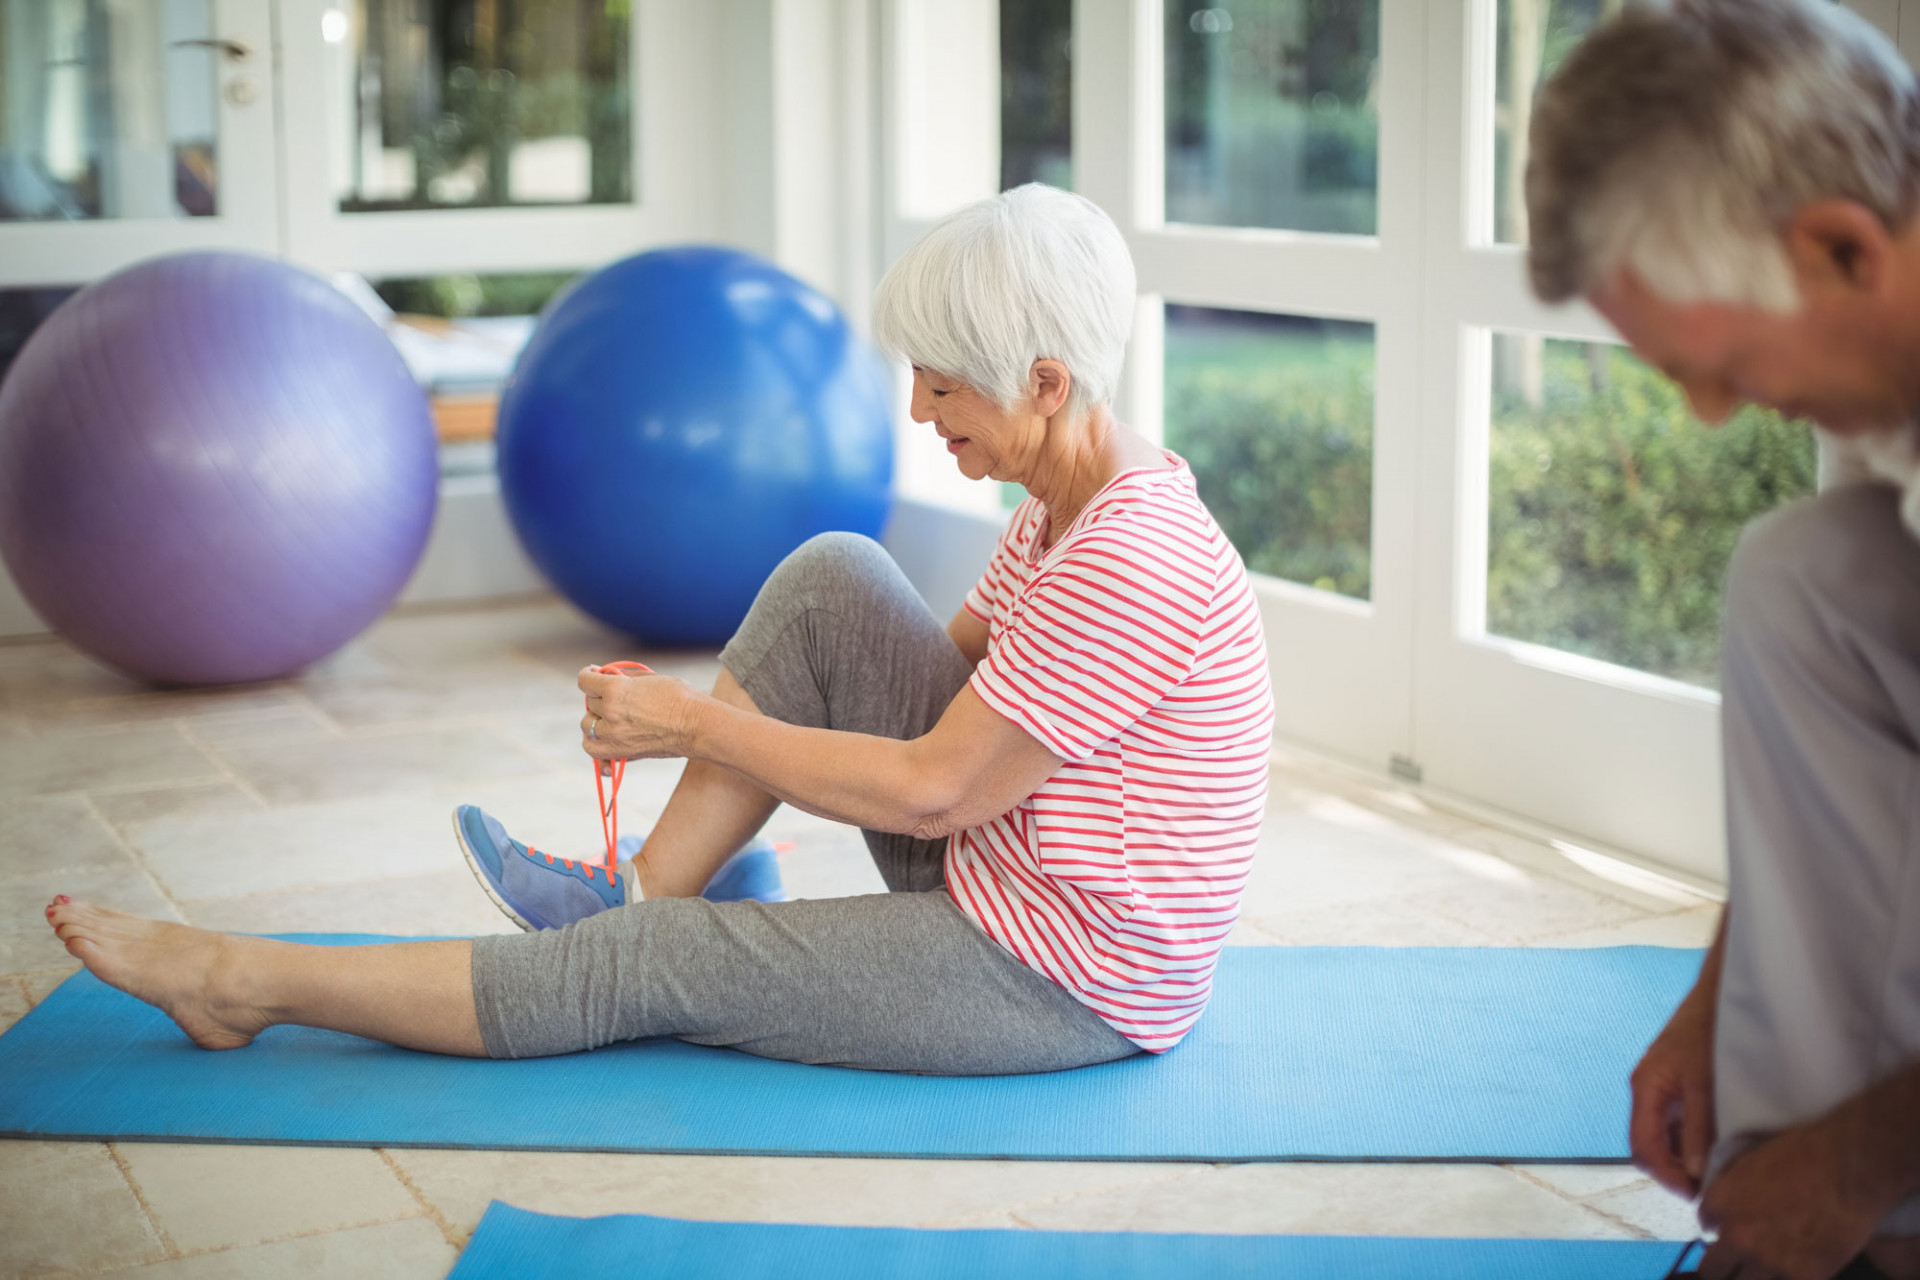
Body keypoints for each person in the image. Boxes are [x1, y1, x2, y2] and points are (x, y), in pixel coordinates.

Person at [44, 183, 1275, 1077]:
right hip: (1008, 857)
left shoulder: (1128, 553)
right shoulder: (1066, 500)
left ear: (1047, 384)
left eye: (945, 387)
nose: (916, 412)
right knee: (837, 573)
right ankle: (641, 887)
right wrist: (734, 741)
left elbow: (932, 791)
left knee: (659, 969)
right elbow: (934, 682)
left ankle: (241, 981)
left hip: (1061, 974)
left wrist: (692, 723)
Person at [1525, 3, 1920, 1276]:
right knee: (1802, 569)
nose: (1706, 413)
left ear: (1845, 249)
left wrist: (1858, 1164)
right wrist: (1714, 1002)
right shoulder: (1881, 355)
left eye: (1725, 361)